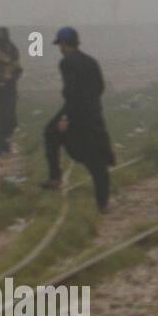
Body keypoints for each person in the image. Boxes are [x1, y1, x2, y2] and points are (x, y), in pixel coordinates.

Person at [42, 27, 115, 212]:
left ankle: (55, 178)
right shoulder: (91, 61)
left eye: (60, 45)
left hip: (75, 111)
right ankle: (103, 204)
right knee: (96, 159)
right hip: (93, 113)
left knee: (51, 133)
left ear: (65, 45)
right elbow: (100, 87)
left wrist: (67, 117)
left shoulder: (67, 63)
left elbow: (72, 91)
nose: (60, 48)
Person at [0, 28, 22, 156]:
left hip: (9, 89)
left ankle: (4, 145)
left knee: (8, 117)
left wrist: (10, 78)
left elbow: (18, 69)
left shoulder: (13, 50)